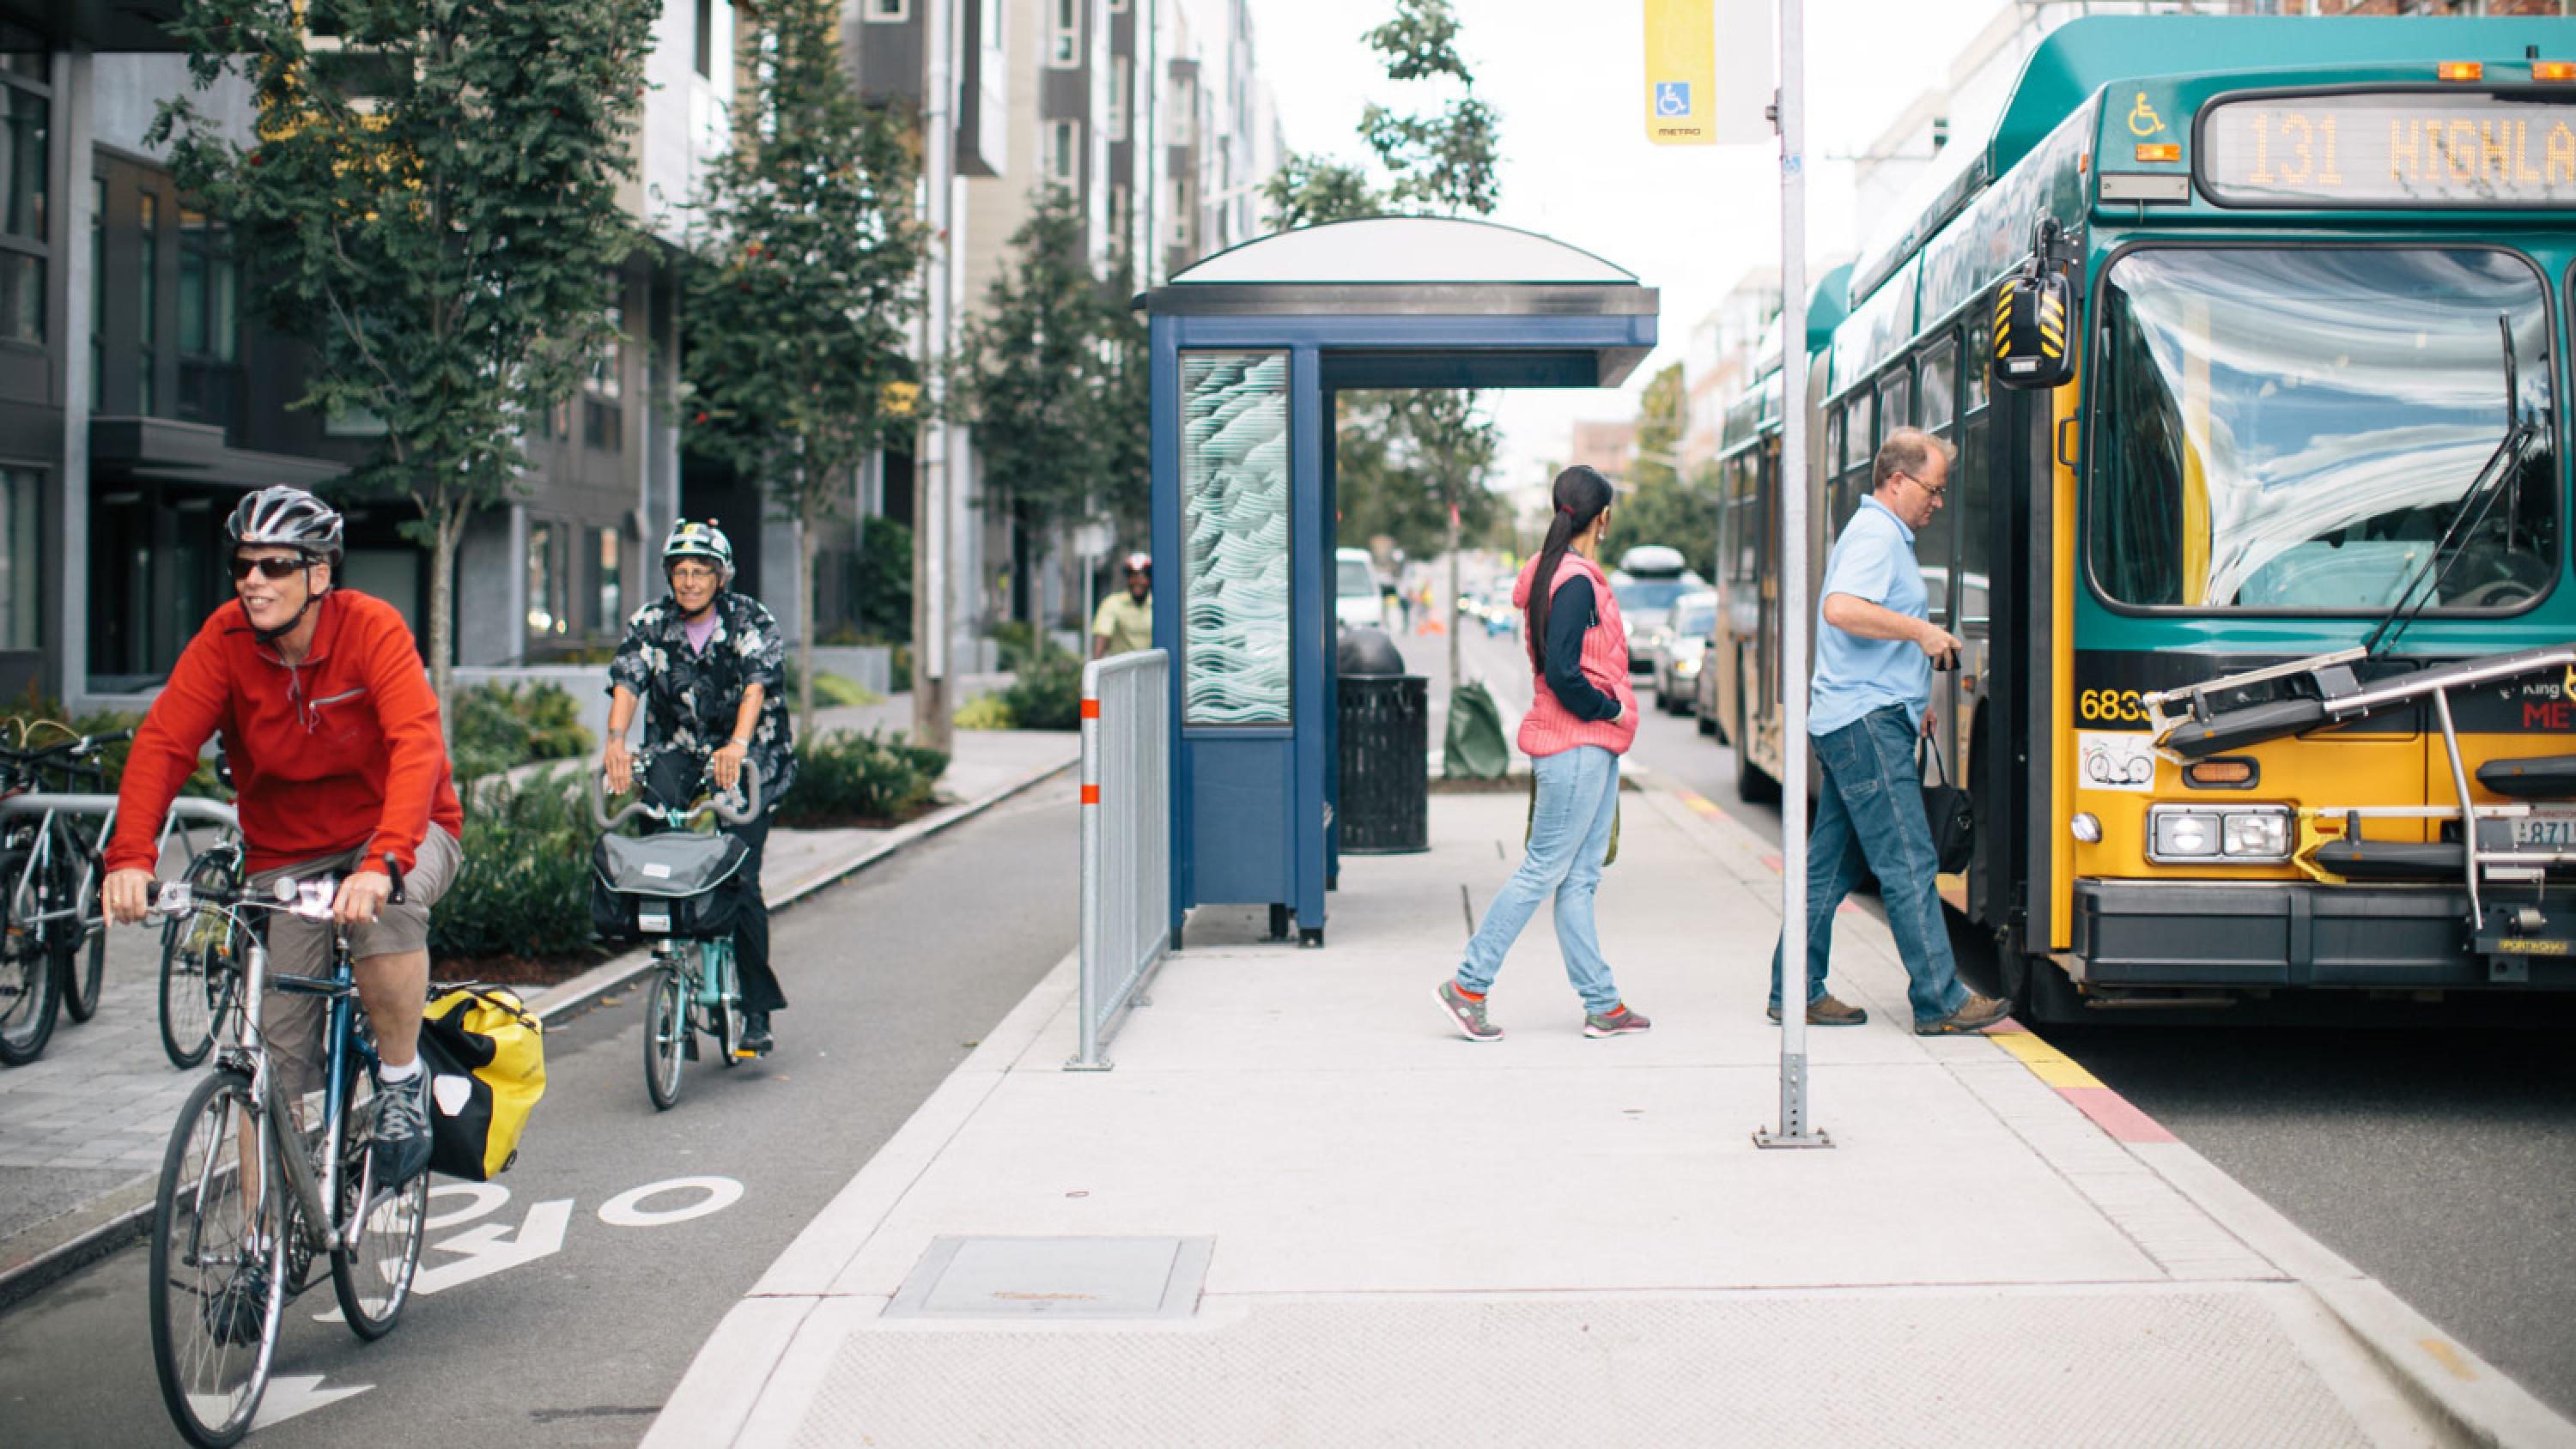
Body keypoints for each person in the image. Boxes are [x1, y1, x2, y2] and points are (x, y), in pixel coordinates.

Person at [103, 485, 465, 1189]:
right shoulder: (225, 639)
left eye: (275, 566)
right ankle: (255, 1254)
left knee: (383, 917)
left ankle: (399, 1081)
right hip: (287, 857)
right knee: (269, 1057)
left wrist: (383, 860)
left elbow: (415, 745)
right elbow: (164, 745)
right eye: (244, 565)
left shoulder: (372, 628)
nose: (253, 582)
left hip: (401, 835)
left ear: (319, 574)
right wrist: (130, 856)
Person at [1769, 427, 2009, 1034]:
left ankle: (1793, 989)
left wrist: (1911, 696)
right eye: (1932, 488)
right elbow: (1842, 610)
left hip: (1865, 717)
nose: (1939, 501)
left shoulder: (1884, 534)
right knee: (1908, 859)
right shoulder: (1877, 535)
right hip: (1863, 725)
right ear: (1897, 480)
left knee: (1829, 866)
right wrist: (1921, 634)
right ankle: (1940, 1000)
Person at [1433, 465, 1650, 1043]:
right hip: (1576, 744)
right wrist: (1608, 708)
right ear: (1601, 517)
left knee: (1579, 878)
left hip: (1585, 747)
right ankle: (1468, 985)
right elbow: (1562, 670)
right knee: (1543, 871)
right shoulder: (1575, 580)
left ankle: (1602, 1004)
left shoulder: (1555, 573)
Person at [603, 520, 796, 1054]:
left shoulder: (749, 619)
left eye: (700, 572)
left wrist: (735, 746)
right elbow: (627, 678)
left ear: (720, 577)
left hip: (751, 752)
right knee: (659, 856)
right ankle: (674, 973)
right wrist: (616, 742)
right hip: (679, 750)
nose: (689, 582)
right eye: (680, 572)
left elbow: (757, 684)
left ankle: (756, 1008)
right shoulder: (650, 621)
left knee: (742, 877)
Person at [1091, 552, 1153, 660]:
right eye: (1133, 575)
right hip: (1122, 672)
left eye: (1143, 576)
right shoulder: (1112, 603)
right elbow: (1102, 638)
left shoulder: (1157, 606)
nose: (1138, 581)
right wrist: (1094, 670)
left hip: (1151, 671)